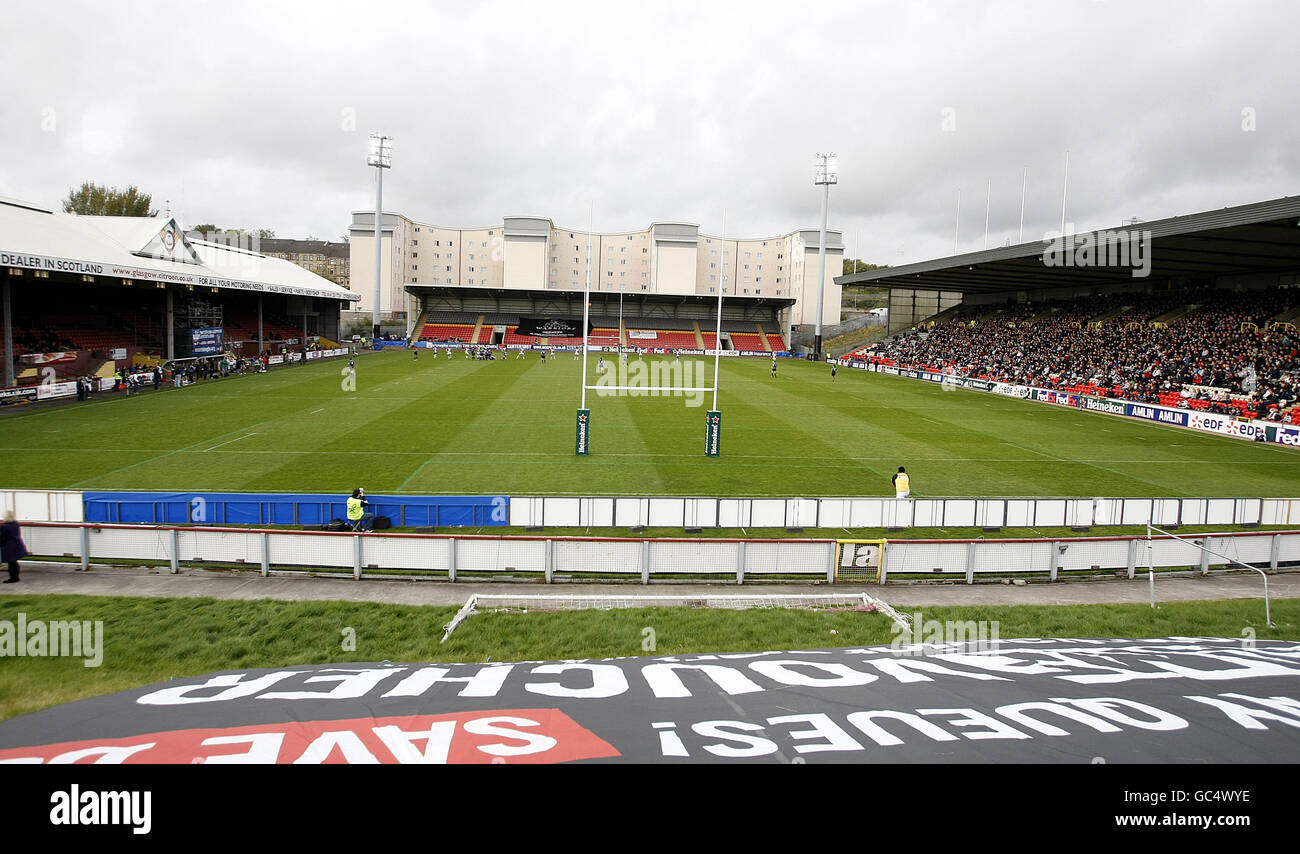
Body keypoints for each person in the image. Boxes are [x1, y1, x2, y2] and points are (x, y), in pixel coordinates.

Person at [1, 510, 27, 583]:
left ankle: (13, 578)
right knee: (14, 562)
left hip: (9, 546)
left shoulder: (5, 526)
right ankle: (16, 577)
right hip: (17, 544)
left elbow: (2, 537)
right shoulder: (15, 524)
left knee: (11, 563)